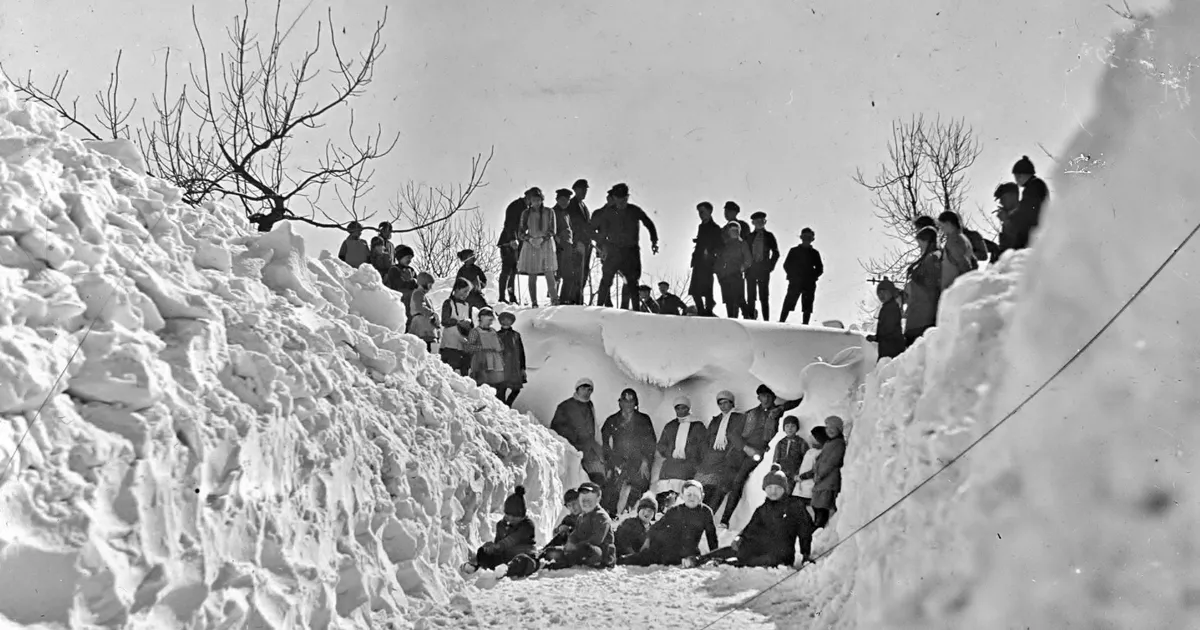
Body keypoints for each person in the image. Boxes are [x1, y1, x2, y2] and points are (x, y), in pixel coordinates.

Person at [689, 465, 814, 567]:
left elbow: (805, 532)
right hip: (761, 546)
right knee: (739, 548)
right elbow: (750, 528)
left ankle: (725, 563)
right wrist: (740, 538)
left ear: (784, 489)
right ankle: (701, 559)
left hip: (781, 554)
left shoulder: (795, 506)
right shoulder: (763, 509)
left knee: (765, 560)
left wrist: (806, 555)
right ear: (765, 489)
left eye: (777, 487)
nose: (773, 491)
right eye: (769, 487)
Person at [718, 384, 801, 528]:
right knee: (723, 483)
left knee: (738, 481)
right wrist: (744, 447)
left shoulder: (777, 412)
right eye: (763, 396)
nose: (766, 399)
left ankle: (725, 520)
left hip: (757, 454)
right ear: (758, 397)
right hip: (740, 451)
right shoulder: (750, 413)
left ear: (774, 397)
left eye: (769, 396)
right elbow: (733, 434)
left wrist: (781, 408)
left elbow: (798, 400)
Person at [590, 183, 659, 309]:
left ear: (627, 197)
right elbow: (593, 230)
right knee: (606, 280)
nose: (621, 201)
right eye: (618, 198)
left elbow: (648, 223)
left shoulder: (634, 210)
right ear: (614, 198)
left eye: (624, 198)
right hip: (613, 251)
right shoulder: (608, 213)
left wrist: (654, 240)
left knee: (632, 283)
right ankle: (598, 308)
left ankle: (634, 311)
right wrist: (603, 245)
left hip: (631, 252)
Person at [619, 480, 718, 567]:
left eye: (696, 495)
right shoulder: (676, 510)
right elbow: (657, 526)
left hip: (688, 553)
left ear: (702, 496)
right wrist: (648, 540)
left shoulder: (706, 512)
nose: (692, 498)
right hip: (669, 551)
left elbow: (711, 536)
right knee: (641, 558)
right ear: (683, 496)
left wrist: (715, 556)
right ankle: (620, 559)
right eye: (689, 494)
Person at [600, 388, 658, 515]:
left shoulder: (643, 420)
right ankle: (611, 517)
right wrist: (610, 464)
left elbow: (651, 443)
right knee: (612, 491)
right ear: (620, 403)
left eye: (631, 402)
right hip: (618, 462)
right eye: (625, 401)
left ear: (636, 403)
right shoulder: (612, 420)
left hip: (638, 462)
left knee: (636, 492)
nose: (628, 405)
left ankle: (630, 516)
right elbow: (605, 444)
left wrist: (645, 462)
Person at [461, 486, 536, 574]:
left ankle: (507, 570)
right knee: (484, 550)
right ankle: (474, 566)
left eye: (515, 516)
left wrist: (496, 547)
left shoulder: (527, 525)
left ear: (522, 515)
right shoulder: (501, 525)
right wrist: (487, 550)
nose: (511, 519)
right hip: (505, 557)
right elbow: (498, 544)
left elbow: (510, 541)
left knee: (523, 561)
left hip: (523, 554)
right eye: (508, 515)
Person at [697, 389, 746, 517]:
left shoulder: (740, 418)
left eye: (726, 402)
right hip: (710, 458)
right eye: (720, 403)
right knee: (702, 487)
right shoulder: (716, 420)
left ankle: (707, 516)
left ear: (732, 403)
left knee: (716, 488)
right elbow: (707, 439)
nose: (723, 406)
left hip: (727, 458)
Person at [550, 378, 605, 486]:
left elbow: (594, 430)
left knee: (598, 478)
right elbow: (556, 429)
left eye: (590, 390)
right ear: (577, 389)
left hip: (589, 451)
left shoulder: (590, 406)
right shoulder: (565, 406)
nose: (587, 392)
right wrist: (574, 439)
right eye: (584, 388)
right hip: (571, 451)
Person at [517, 188, 562, 308]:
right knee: (532, 273)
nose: (536, 202)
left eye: (538, 200)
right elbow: (520, 232)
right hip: (531, 244)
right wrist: (529, 239)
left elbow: (553, 229)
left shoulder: (549, 211)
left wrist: (543, 238)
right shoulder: (526, 213)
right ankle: (534, 302)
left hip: (545, 243)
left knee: (549, 272)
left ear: (542, 200)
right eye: (533, 200)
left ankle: (554, 299)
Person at [654, 396, 708, 495]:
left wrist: (691, 454)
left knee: (681, 481)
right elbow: (661, 445)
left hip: (689, 463)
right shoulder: (670, 426)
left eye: (683, 408)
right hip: (671, 462)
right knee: (665, 482)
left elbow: (704, 448)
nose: (680, 411)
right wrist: (670, 452)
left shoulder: (698, 426)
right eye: (678, 408)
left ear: (688, 408)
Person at [562, 482, 616, 569]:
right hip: (584, 549)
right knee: (565, 548)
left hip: (602, 554)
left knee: (586, 549)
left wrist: (576, 546)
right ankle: (562, 557)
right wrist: (571, 542)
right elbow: (576, 533)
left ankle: (567, 558)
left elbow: (597, 539)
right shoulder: (582, 516)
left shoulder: (601, 516)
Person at [1003, 155, 1050, 255]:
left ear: (1021, 175)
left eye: (1017, 177)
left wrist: (1010, 217)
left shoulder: (1034, 187)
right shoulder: (1035, 185)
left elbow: (1026, 212)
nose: (1016, 180)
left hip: (1033, 234)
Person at [904, 226, 943, 345]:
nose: (920, 247)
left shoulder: (933, 257)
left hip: (923, 317)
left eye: (920, 243)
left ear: (927, 241)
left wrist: (915, 282)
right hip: (916, 315)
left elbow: (933, 283)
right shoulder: (927, 258)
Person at [559, 179, 593, 305]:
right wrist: (575, 242)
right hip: (576, 244)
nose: (584, 192)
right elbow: (570, 225)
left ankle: (578, 300)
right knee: (574, 273)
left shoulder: (584, 207)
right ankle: (568, 299)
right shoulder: (571, 205)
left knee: (583, 273)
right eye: (582, 190)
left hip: (586, 244)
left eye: (586, 190)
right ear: (576, 190)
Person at [780, 228, 824, 324]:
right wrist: (792, 276)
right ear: (801, 238)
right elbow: (786, 265)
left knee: (807, 306)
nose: (806, 239)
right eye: (805, 237)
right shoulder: (794, 251)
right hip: (795, 282)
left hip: (809, 284)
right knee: (788, 303)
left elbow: (820, 269)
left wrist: (812, 277)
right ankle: (781, 322)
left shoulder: (815, 253)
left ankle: (805, 325)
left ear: (812, 239)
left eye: (809, 237)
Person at [498, 189, 535, 304]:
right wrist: (512, 239)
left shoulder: (528, 209)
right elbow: (509, 224)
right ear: (528, 197)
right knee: (507, 269)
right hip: (509, 241)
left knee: (514, 270)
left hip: (519, 241)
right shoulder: (515, 206)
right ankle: (502, 297)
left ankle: (511, 296)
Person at [811, 416, 847, 529]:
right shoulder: (829, 443)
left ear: (839, 429)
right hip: (821, 483)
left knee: (823, 509)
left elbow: (832, 462)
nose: (829, 430)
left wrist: (820, 474)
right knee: (817, 508)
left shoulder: (839, 443)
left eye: (833, 428)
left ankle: (820, 532)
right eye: (827, 427)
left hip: (828, 482)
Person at [744, 211, 781, 320]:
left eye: (762, 221)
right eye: (757, 221)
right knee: (751, 296)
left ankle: (766, 320)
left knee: (764, 297)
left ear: (765, 222)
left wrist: (769, 267)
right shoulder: (749, 237)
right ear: (753, 223)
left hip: (763, 269)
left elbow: (776, 253)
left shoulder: (769, 236)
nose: (759, 223)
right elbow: (744, 253)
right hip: (751, 269)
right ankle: (750, 318)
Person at [688, 202, 723, 316]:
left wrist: (710, 251)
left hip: (708, 263)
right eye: (699, 212)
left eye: (702, 212)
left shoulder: (716, 228)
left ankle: (708, 311)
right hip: (698, 261)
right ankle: (701, 310)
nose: (700, 214)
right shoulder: (701, 226)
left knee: (707, 290)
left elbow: (720, 246)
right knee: (694, 290)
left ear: (710, 211)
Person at [439, 278, 476, 375]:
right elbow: (445, 321)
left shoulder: (467, 305)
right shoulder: (448, 303)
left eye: (467, 292)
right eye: (464, 291)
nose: (466, 294)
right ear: (457, 289)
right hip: (450, 344)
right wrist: (458, 322)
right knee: (450, 372)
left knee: (464, 371)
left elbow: (470, 324)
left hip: (463, 344)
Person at [715, 222, 752, 319]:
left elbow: (748, 259)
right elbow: (720, 259)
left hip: (736, 274)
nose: (734, 232)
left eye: (736, 230)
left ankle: (747, 316)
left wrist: (742, 268)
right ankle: (731, 318)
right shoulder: (725, 245)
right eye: (732, 231)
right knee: (728, 299)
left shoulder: (742, 244)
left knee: (739, 298)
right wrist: (719, 271)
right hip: (725, 275)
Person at [936, 211, 978, 290]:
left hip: (955, 289)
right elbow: (973, 261)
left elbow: (964, 264)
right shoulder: (963, 238)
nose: (942, 230)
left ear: (948, 223)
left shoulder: (953, 241)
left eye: (942, 226)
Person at [866, 278, 905, 360]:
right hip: (887, 348)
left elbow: (888, 329)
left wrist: (877, 337)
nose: (881, 295)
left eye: (884, 292)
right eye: (879, 293)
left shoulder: (891, 308)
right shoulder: (887, 307)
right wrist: (876, 337)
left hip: (892, 349)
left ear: (891, 292)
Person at [466, 308, 505, 388]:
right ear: (482, 318)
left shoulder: (493, 331)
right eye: (489, 320)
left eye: (492, 320)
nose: (491, 322)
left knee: (496, 386)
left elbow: (500, 345)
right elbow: (468, 347)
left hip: (495, 364)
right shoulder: (475, 331)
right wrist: (483, 347)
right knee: (483, 385)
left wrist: (499, 348)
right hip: (481, 363)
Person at [495, 312, 526, 406]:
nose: (506, 322)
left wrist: (522, 368)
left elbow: (521, 352)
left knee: (516, 389)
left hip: (514, 366)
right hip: (501, 367)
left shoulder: (516, 335)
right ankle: (502, 410)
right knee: (501, 389)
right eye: (503, 320)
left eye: (508, 320)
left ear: (512, 322)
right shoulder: (496, 335)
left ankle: (507, 405)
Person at [793, 426, 827, 508]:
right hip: (801, 487)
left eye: (812, 436)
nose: (809, 437)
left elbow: (816, 470)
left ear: (818, 438)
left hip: (810, 489)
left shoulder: (821, 453)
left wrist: (802, 477)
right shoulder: (810, 451)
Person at [385, 245, 419, 327]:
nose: (410, 260)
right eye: (407, 257)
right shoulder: (394, 270)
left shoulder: (412, 270)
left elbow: (418, 284)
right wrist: (412, 282)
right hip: (399, 299)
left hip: (411, 299)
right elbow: (399, 283)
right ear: (400, 257)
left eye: (411, 258)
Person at [773, 416, 808, 493]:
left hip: (795, 474)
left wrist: (800, 474)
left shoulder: (801, 443)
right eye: (787, 426)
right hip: (782, 474)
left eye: (793, 426)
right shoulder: (780, 443)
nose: (790, 428)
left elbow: (806, 460)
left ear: (797, 427)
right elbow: (776, 459)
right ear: (784, 428)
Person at [408, 272, 440, 351]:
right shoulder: (418, 293)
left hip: (427, 326)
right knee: (424, 348)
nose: (430, 288)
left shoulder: (425, 296)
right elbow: (420, 307)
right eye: (429, 285)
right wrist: (432, 313)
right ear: (424, 283)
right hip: (421, 326)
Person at [992, 182, 1021, 261]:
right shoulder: (1009, 216)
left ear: (1013, 196)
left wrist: (1006, 221)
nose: (1001, 202)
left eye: (1003, 198)